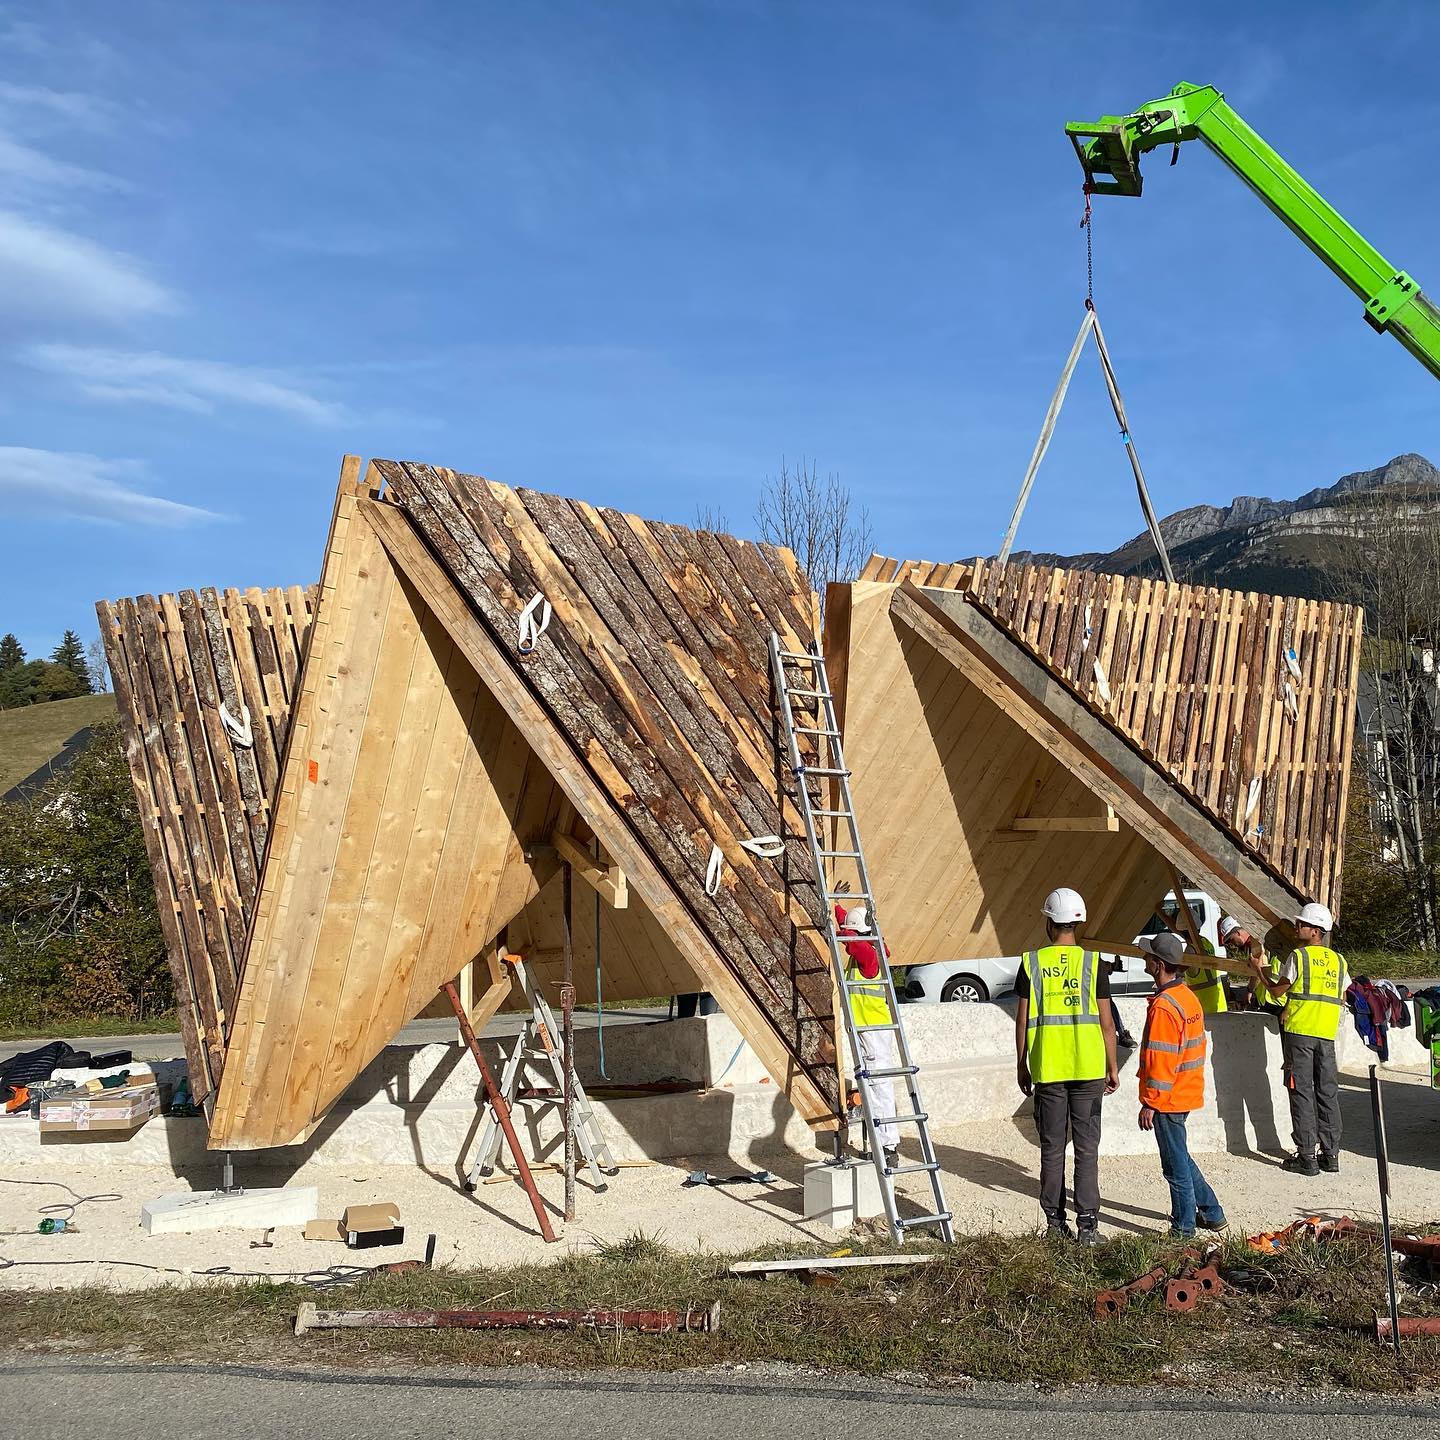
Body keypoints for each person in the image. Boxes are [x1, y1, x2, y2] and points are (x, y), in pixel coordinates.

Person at [1014, 886, 1120, 1245]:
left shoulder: (1032, 963)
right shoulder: (1094, 964)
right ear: (1078, 925)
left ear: (1049, 923)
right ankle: (1088, 1227)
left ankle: (1055, 1225)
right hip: (1089, 1070)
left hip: (1049, 1070)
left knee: (1053, 1148)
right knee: (1087, 1150)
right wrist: (1113, 1066)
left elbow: (1022, 1020)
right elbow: (1107, 1024)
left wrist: (1022, 1065)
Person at [1246, 902, 1349, 1176]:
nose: (1296, 928)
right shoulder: (1339, 961)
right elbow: (1343, 995)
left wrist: (1258, 970)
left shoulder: (1299, 957)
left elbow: (1278, 992)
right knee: (1327, 1094)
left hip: (1300, 1033)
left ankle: (1307, 1157)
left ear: (1315, 931)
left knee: (1301, 1092)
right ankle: (1331, 1155)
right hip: (1326, 1035)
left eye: (1301, 924)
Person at [1137, 932, 1227, 1237]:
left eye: (1149, 956)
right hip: (1186, 1092)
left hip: (1168, 1098)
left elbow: (1161, 1060)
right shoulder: (1188, 998)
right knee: (1181, 1157)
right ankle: (1212, 1213)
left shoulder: (1164, 1006)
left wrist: (1151, 1102)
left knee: (1174, 1168)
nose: (1145, 959)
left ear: (1159, 964)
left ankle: (1183, 1230)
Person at [837, 903, 899, 1168]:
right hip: (869, 1028)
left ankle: (887, 1146)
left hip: (873, 1029)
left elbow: (851, 942)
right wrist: (837, 907)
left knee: (879, 1086)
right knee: (873, 1085)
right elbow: (849, 936)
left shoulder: (869, 955)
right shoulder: (870, 947)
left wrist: (841, 925)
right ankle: (883, 1142)